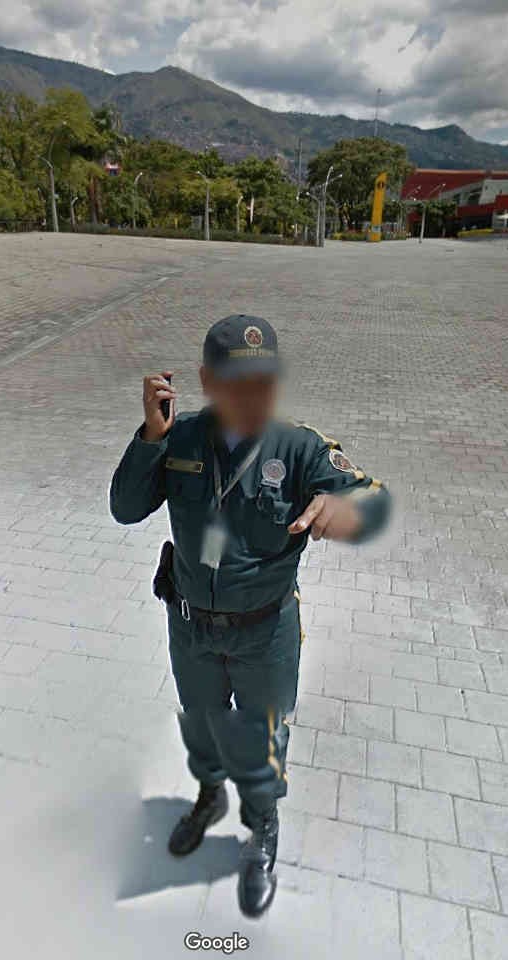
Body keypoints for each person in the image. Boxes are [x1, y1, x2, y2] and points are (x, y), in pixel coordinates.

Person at [109, 315, 390, 917]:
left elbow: (371, 496)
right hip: (190, 628)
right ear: (209, 380)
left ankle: (261, 834)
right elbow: (125, 508)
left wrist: (343, 506)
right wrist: (150, 438)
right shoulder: (177, 438)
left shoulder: (300, 447)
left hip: (265, 634)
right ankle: (209, 797)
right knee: (204, 726)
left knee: (263, 742)